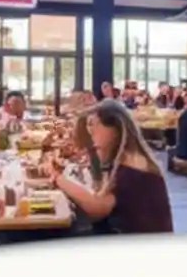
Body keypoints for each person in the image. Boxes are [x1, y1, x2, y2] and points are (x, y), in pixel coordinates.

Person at [48, 98, 173, 234]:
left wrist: (57, 178)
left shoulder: (131, 169)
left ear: (115, 129)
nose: (92, 136)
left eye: (94, 126)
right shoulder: (129, 160)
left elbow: (96, 209)